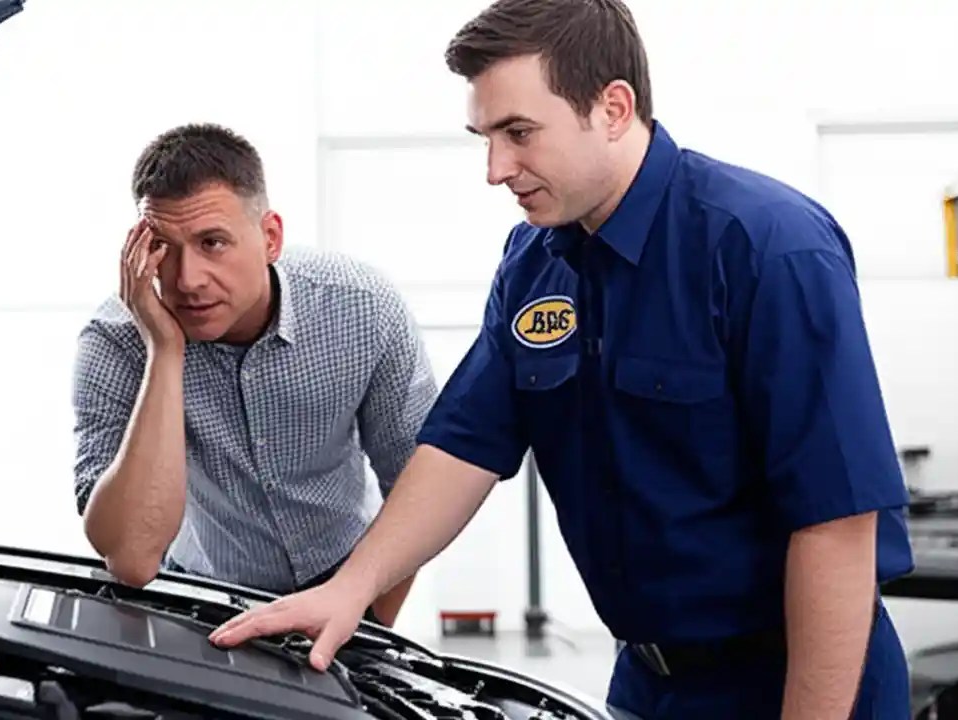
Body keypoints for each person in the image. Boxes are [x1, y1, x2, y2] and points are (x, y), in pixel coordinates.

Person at [209, 1, 913, 717]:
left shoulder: (768, 247)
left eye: (518, 133)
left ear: (612, 108)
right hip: (648, 680)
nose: (494, 168)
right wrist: (349, 589)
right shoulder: (533, 261)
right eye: (484, 137)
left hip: (799, 679)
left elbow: (837, 525)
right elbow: (464, 445)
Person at [71, 123, 438, 627]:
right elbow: (132, 558)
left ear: (269, 238)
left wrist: (369, 617)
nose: (187, 279)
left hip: (347, 580)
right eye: (163, 248)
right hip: (198, 597)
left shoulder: (362, 309)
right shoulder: (116, 341)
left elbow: (422, 488)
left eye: (212, 243)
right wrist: (164, 350)